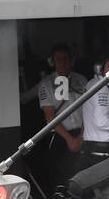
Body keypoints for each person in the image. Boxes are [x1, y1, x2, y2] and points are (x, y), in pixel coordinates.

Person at [36, 44, 88, 188]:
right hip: (60, 136)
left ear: (71, 60)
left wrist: (81, 136)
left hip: (82, 134)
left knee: (81, 177)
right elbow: (49, 116)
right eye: (59, 59)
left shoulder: (81, 80)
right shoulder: (47, 83)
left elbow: (88, 110)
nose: (63, 63)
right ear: (52, 62)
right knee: (60, 180)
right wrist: (70, 139)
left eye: (66, 59)